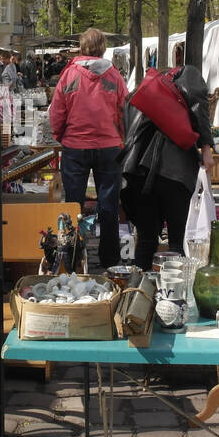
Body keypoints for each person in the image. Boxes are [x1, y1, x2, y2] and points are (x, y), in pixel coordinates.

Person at [120, 64, 214, 271]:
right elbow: (200, 106)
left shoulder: (140, 93)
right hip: (175, 174)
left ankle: (138, 295)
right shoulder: (189, 74)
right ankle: (175, 297)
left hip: (138, 173)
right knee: (177, 243)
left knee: (146, 240)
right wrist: (206, 147)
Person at [49, 28, 127, 270]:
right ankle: (110, 259)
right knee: (109, 205)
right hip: (108, 146)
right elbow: (125, 109)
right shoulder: (113, 75)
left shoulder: (70, 74)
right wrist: (121, 138)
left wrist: (60, 135)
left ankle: (72, 257)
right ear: (103, 48)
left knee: (73, 205)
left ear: (81, 48)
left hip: (76, 145)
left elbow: (57, 111)